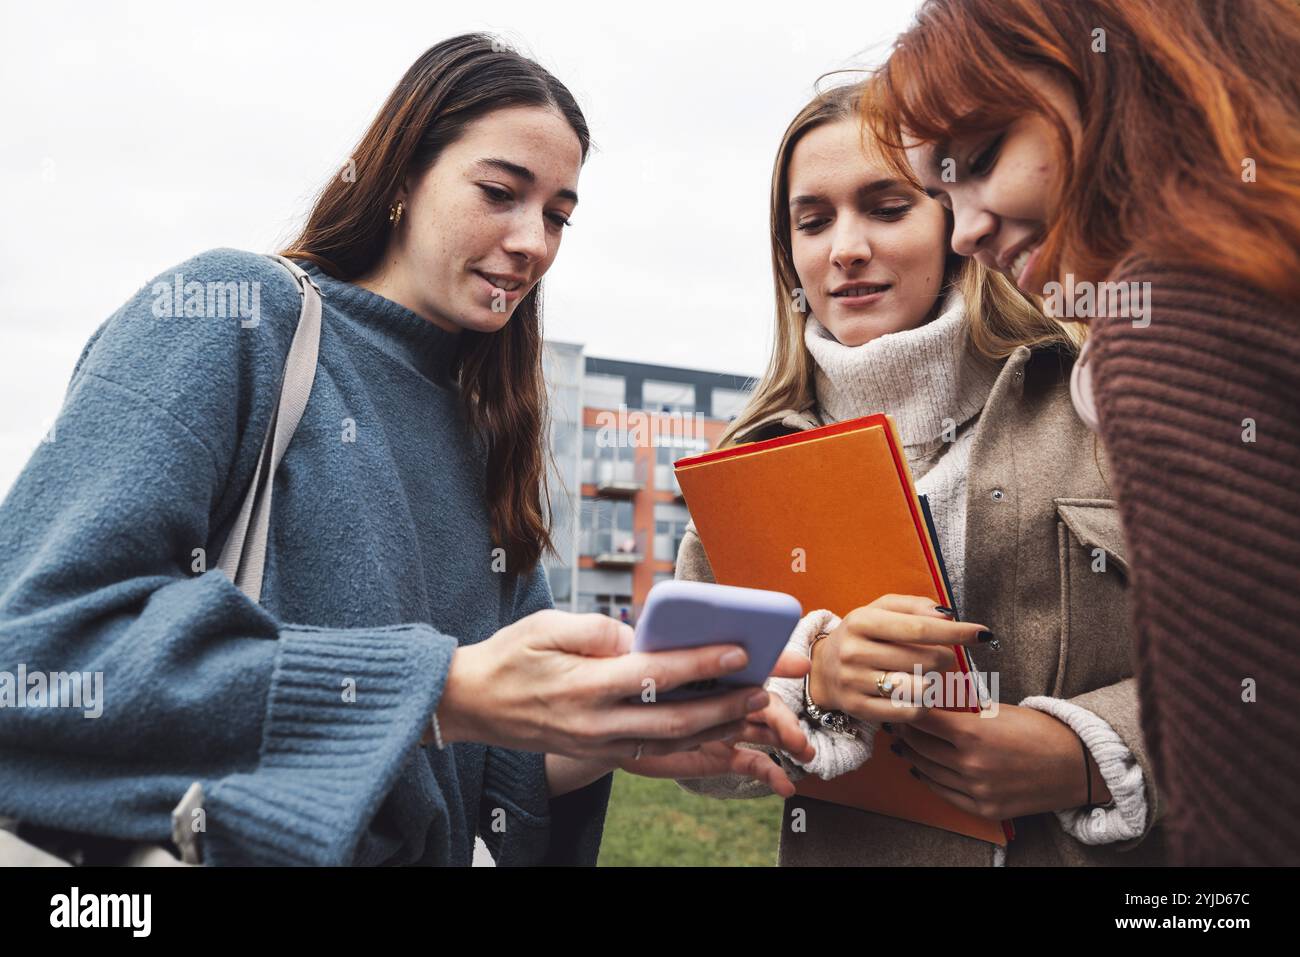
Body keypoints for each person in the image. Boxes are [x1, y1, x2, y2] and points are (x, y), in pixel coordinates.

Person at [0, 34, 809, 867]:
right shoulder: (228, 318)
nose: (535, 241)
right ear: (400, 178)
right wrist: (438, 689)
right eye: (500, 191)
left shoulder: (491, 431)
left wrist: (616, 730)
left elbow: (486, 765)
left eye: (559, 215)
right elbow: (30, 654)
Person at [675, 82, 1167, 866]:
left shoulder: (1105, 399)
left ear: (954, 221)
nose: (845, 248)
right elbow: (698, 745)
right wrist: (815, 682)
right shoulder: (748, 467)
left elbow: (1259, 662)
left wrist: (1089, 750)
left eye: (886, 206)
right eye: (814, 221)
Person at [869, 0, 1300, 865]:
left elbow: (1253, 817)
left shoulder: (1169, 333)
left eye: (983, 157)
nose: (966, 231)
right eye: (940, 195)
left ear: (1127, 71)